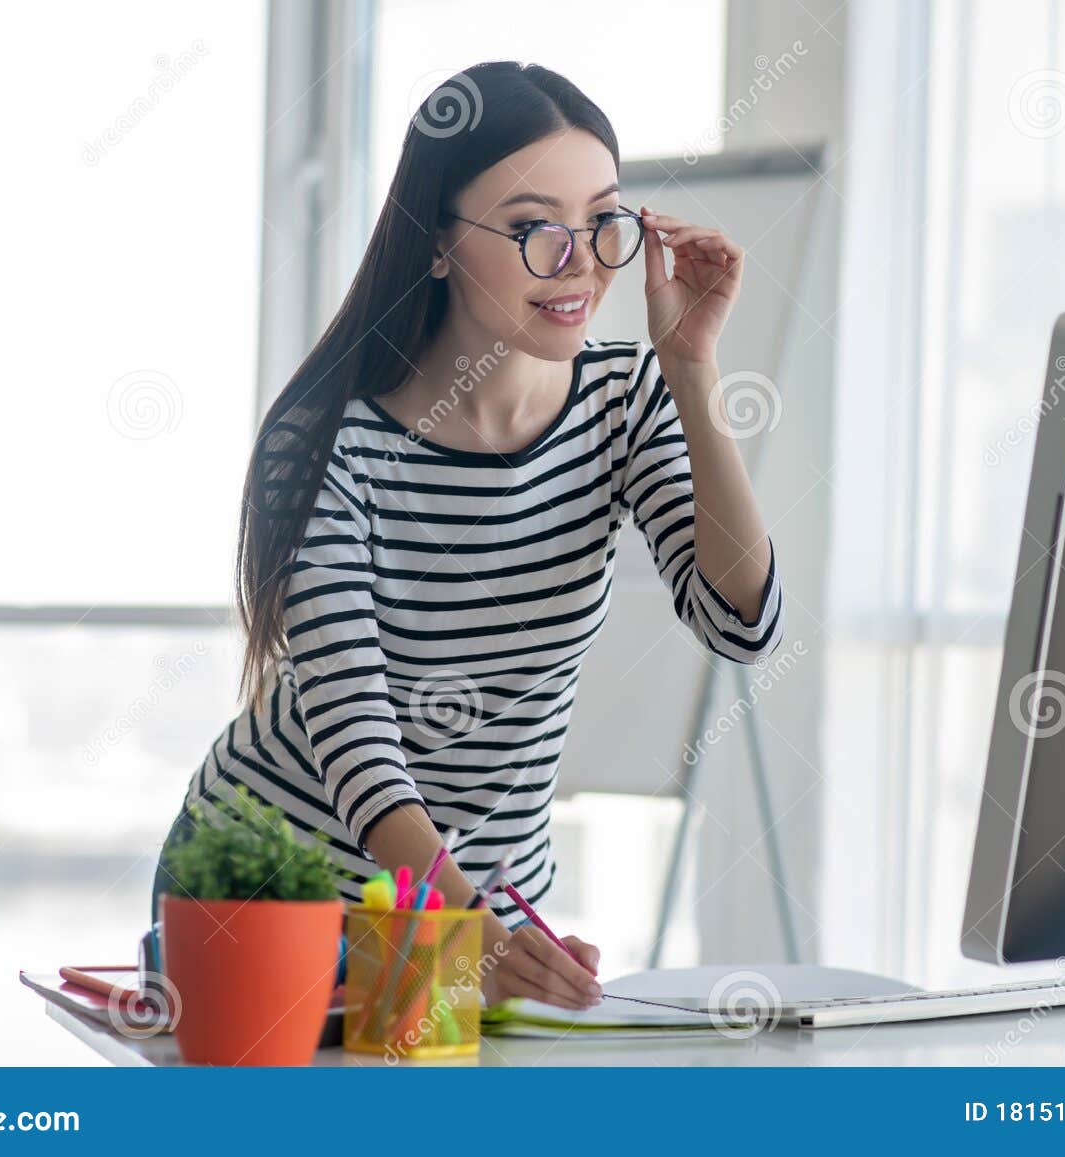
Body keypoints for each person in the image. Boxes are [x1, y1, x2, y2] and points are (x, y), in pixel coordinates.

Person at [152, 61, 784, 1011]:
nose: (580, 265)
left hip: (481, 906)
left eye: (602, 223)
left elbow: (744, 624)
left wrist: (690, 369)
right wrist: (465, 929)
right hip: (274, 892)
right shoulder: (328, 443)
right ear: (438, 243)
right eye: (534, 229)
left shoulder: (625, 399)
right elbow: (359, 745)